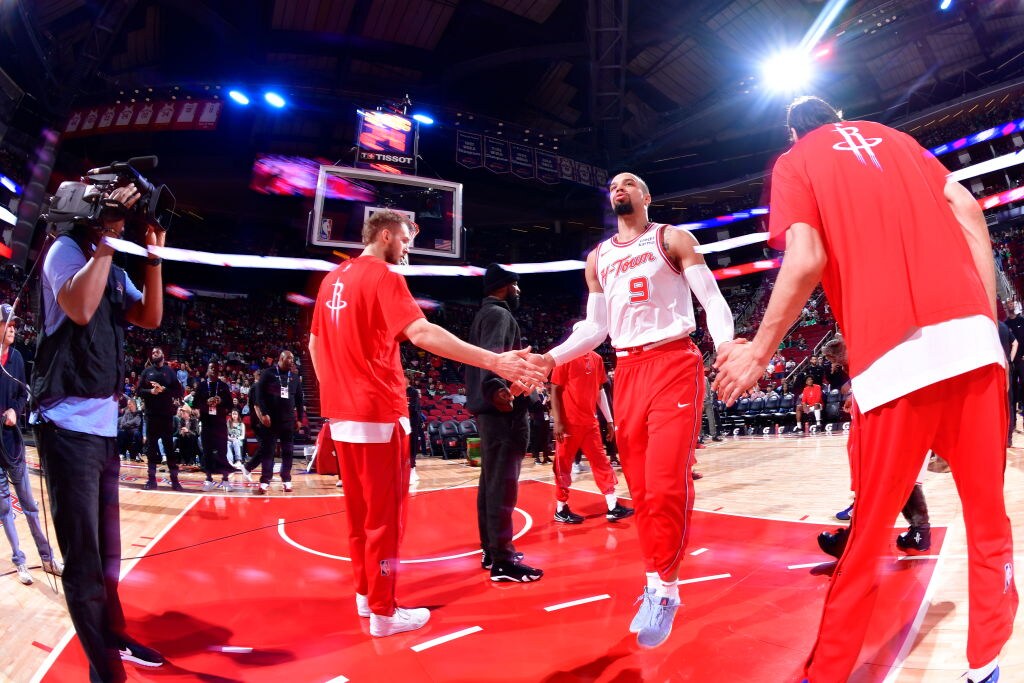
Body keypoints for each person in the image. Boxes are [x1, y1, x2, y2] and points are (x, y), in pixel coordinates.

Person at [713, 96, 1016, 683]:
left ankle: (827, 673)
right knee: (988, 519)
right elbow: (969, 212)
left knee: (870, 532)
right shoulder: (897, 139)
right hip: (974, 346)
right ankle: (986, 666)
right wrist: (984, 319)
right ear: (843, 115)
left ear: (795, 129)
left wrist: (759, 349)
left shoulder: (797, 160)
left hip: (893, 359)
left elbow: (806, 257)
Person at [307, 209, 545, 637]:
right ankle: (383, 611)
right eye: (404, 240)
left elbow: (314, 343)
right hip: (378, 413)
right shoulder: (383, 276)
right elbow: (421, 333)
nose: (407, 249)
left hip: (342, 416)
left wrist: (338, 395)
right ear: (384, 235)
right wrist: (495, 361)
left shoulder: (332, 279)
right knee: (385, 519)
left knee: (359, 517)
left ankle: (366, 595)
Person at [535, 171, 735, 649]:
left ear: (646, 196)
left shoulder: (673, 239)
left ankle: (666, 590)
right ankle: (654, 582)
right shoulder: (597, 258)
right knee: (643, 490)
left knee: (667, 484)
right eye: (612, 187)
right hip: (626, 371)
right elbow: (595, 328)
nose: (617, 188)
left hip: (673, 362)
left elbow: (712, 299)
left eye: (628, 183)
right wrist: (550, 358)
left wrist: (726, 347)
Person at [32, 183, 167, 680]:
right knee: (84, 558)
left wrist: (153, 259)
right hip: (66, 427)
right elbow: (79, 308)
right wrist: (107, 241)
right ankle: (101, 669)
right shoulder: (63, 251)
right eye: (113, 211)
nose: (123, 218)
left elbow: (149, 317)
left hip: (102, 428)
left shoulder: (112, 263)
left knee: (107, 555)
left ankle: (111, 636)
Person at [466, 264, 545, 584]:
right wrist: (500, 391)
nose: (519, 292)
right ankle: (502, 560)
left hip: (489, 413)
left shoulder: (484, 314)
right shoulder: (499, 315)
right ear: (505, 286)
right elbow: (494, 358)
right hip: (503, 413)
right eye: (516, 286)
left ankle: (491, 549)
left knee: (490, 481)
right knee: (503, 484)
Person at [0, 303, 63, 586]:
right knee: (4, 511)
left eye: (13, 323)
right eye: (7, 323)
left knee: (30, 505)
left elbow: (23, 393)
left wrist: (15, 410)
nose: (12, 327)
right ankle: (20, 561)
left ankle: (47, 558)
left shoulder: (16, 358)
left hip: (13, 445)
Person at [548, 345, 632, 524]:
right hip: (569, 423)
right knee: (563, 465)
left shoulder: (597, 359)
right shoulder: (565, 356)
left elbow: (600, 390)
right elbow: (555, 388)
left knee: (601, 462)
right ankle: (561, 508)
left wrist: (609, 420)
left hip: (590, 423)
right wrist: (558, 421)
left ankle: (612, 506)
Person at [251, 351, 304, 494]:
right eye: (289, 358)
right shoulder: (268, 374)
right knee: (268, 452)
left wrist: (300, 418)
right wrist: (264, 414)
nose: (292, 361)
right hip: (270, 421)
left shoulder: (294, 377)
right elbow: (259, 395)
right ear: (281, 359)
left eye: (293, 358)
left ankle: (286, 479)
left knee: (288, 451)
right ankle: (265, 481)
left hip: (288, 421)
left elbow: (299, 400)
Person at [136, 346, 183, 490]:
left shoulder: (169, 372)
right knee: (151, 450)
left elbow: (179, 390)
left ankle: (175, 481)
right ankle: (151, 481)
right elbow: (138, 391)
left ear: (163, 355)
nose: (154, 354)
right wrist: (151, 391)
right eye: (153, 352)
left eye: (157, 352)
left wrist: (164, 390)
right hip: (151, 416)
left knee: (169, 449)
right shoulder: (146, 372)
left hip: (166, 416)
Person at [193, 361, 234, 491]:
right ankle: (208, 479)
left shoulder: (223, 386)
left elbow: (230, 406)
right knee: (207, 453)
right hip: (206, 423)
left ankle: (225, 480)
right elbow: (194, 405)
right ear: (207, 370)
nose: (214, 370)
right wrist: (202, 407)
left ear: (219, 370)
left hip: (220, 423)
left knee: (223, 452)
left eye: (216, 368)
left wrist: (220, 401)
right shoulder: (201, 386)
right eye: (211, 368)